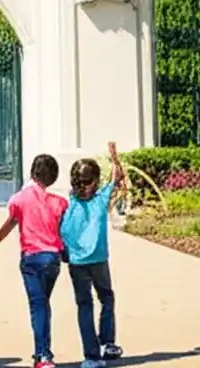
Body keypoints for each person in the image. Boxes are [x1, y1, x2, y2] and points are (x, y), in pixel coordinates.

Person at [0, 154, 68, 368]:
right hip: (52, 259)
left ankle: (44, 356)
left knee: (38, 306)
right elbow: (64, 231)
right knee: (43, 304)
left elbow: (8, 226)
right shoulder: (60, 203)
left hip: (31, 260)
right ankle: (42, 352)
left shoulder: (19, 199)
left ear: (32, 173)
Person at [60, 143, 128, 368]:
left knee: (84, 305)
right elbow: (117, 178)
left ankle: (91, 354)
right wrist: (115, 159)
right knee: (106, 298)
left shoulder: (67, 204)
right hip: (99, 261)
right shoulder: (100, 199)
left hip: (77, 263)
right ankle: (107, 342)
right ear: (96, 182)